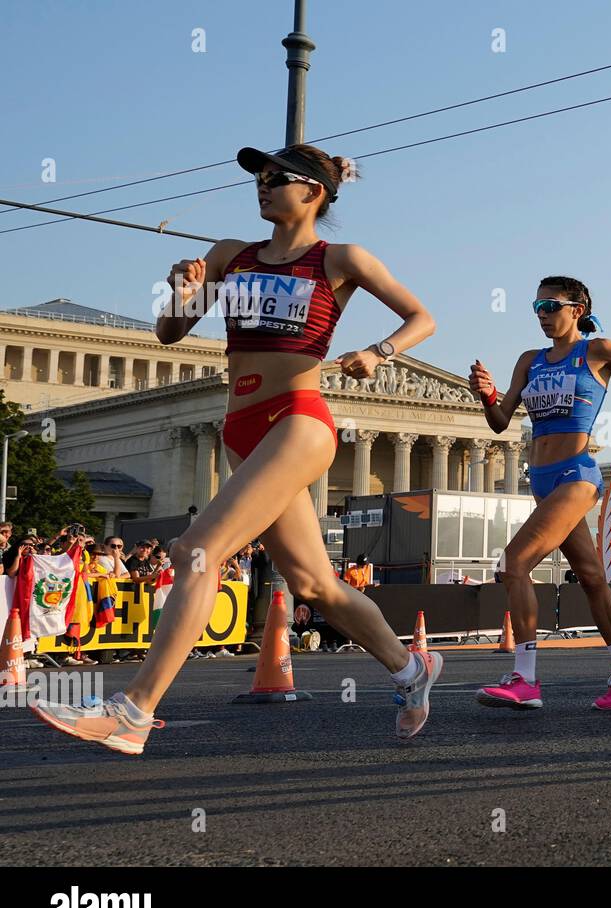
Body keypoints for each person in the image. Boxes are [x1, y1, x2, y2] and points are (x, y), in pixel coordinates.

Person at [30, 143, 442, 754]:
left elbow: (422, 317)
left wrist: (378, 352)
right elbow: (170, 333)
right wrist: (182, 290)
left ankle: (134, 711)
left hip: (299, 418)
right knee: (314, 585)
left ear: (315, 191)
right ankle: (413, 671)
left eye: (278, 177)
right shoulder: (230, 254)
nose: (264, 185)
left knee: (197, 549)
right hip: (241, 427)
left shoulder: (341, 257)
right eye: (260, 177)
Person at [468, 276, 611, 710]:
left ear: (577, 308)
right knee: (593, 578)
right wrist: (486, 395)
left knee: (514, 563)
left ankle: (525, 679)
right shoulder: (530, 360)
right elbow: (500, 422)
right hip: (542, 479)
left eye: (551, 305)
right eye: (537, 306)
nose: (543, 314)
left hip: (576, 476)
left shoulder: (595, 351)